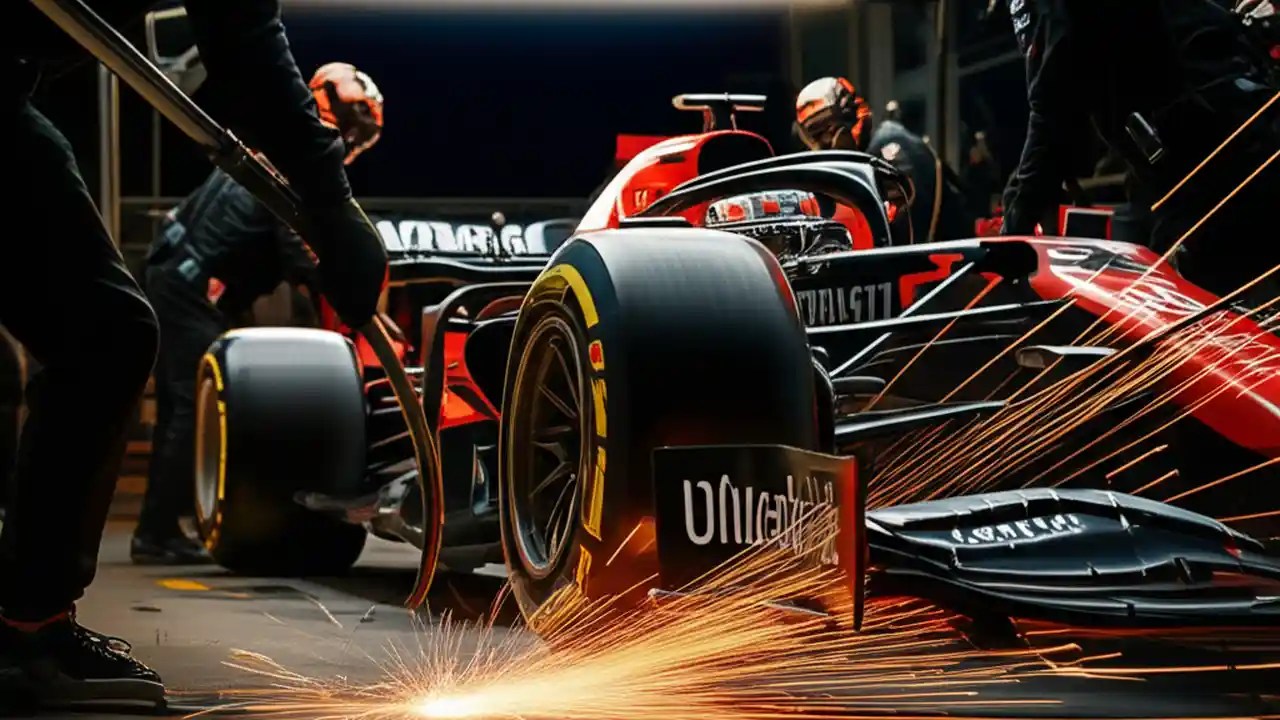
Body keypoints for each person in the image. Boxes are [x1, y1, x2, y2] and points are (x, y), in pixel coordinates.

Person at [0, 2, 388, 708]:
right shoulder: (288, 155)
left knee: (98, 341)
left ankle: (28, 620)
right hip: (182, 282)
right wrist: (333, 205)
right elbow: (241, 35)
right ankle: (30, 626)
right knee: (123, 352)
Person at [132, 62, 385, 566]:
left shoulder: (273, 147)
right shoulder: (296, 161)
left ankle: (158, 527)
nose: (353, 140)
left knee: (182, 407)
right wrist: (355, 304)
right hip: (189, 288)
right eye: (355, 122)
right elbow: (301, 257)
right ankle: (157, 534)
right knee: (191, 406)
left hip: (174, 276)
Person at [999, 0, 1280, 303]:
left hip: (1211, 157)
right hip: (1234, 133)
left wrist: (1015, 225)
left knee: (1189, 312)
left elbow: (1054, 104)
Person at [795, 77, 977, 245]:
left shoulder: (890, 146)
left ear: (849, 115)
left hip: (953, 268)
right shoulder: (862, 162)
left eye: (827, 126)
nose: (824, 141)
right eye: (815, 134)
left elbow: (904, 234)